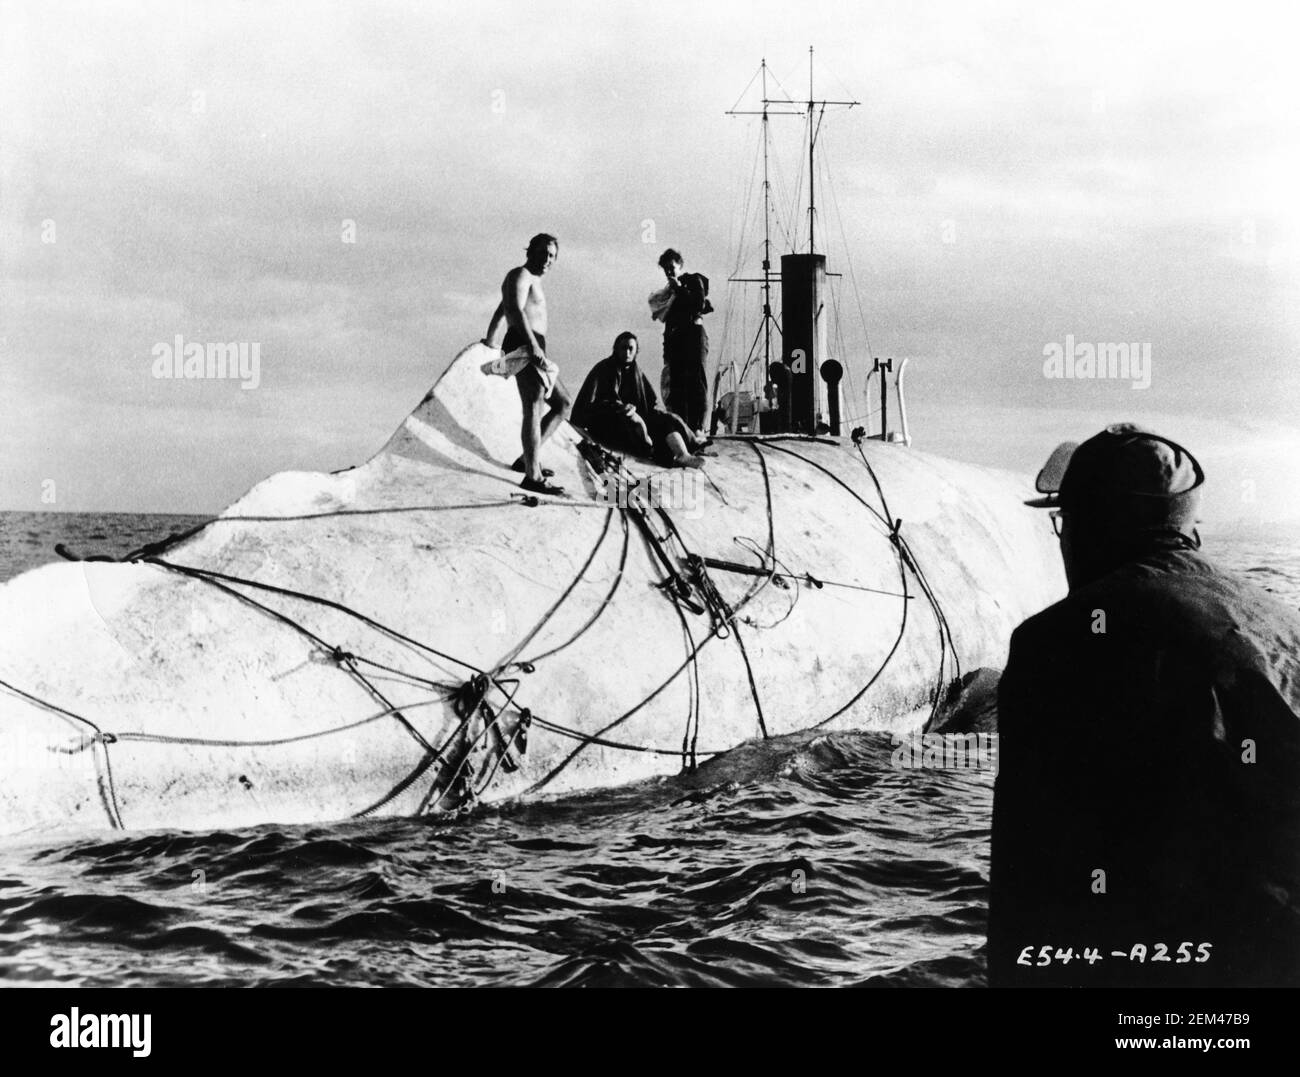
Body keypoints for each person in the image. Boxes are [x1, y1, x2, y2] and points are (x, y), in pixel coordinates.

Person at [988, 423, 1300, 987]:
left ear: (1085, 527)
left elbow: (1032, 873)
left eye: (1065, 522)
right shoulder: (1284, 627)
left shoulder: (1054, 644)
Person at [483, 233, 569, 495]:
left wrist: (490, 338)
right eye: (543, 253)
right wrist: (530, 345)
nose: (547, 259)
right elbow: (514, 309)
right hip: (524, 342)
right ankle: (533, 476)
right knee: (534, 405)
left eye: (552, 255)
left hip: (534, 344)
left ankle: (526, 460)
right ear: (530, 251)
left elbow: (502, 308)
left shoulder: (532, 280)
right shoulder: (519, 274)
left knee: (563, 404)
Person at [571, 332, 706, 468]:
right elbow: (592, 401)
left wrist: (656, 415)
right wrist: (621, 408)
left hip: (637, 417)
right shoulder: (604, 368)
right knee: (634, 422)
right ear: (616, 349)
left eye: (631, 349)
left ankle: (683, 454)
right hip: (610, 422)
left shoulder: (637, 372)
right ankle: (651, 447)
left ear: (636, 351)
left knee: (665, 420)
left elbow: (651, 401)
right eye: (623, 348)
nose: (627, 352)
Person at [652, 248, 712, 438]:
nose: (669, 272)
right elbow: (668, 323)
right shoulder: (668, 294)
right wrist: (666, 352)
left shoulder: (693, 280)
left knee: (696, 382)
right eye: (666, 270)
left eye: (672, 268)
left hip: (693, 336)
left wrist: (678, 287)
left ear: (680, 266)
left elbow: (698, 304)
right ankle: (683, 428)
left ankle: (698, 427)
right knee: (677, 385)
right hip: (676, 340)